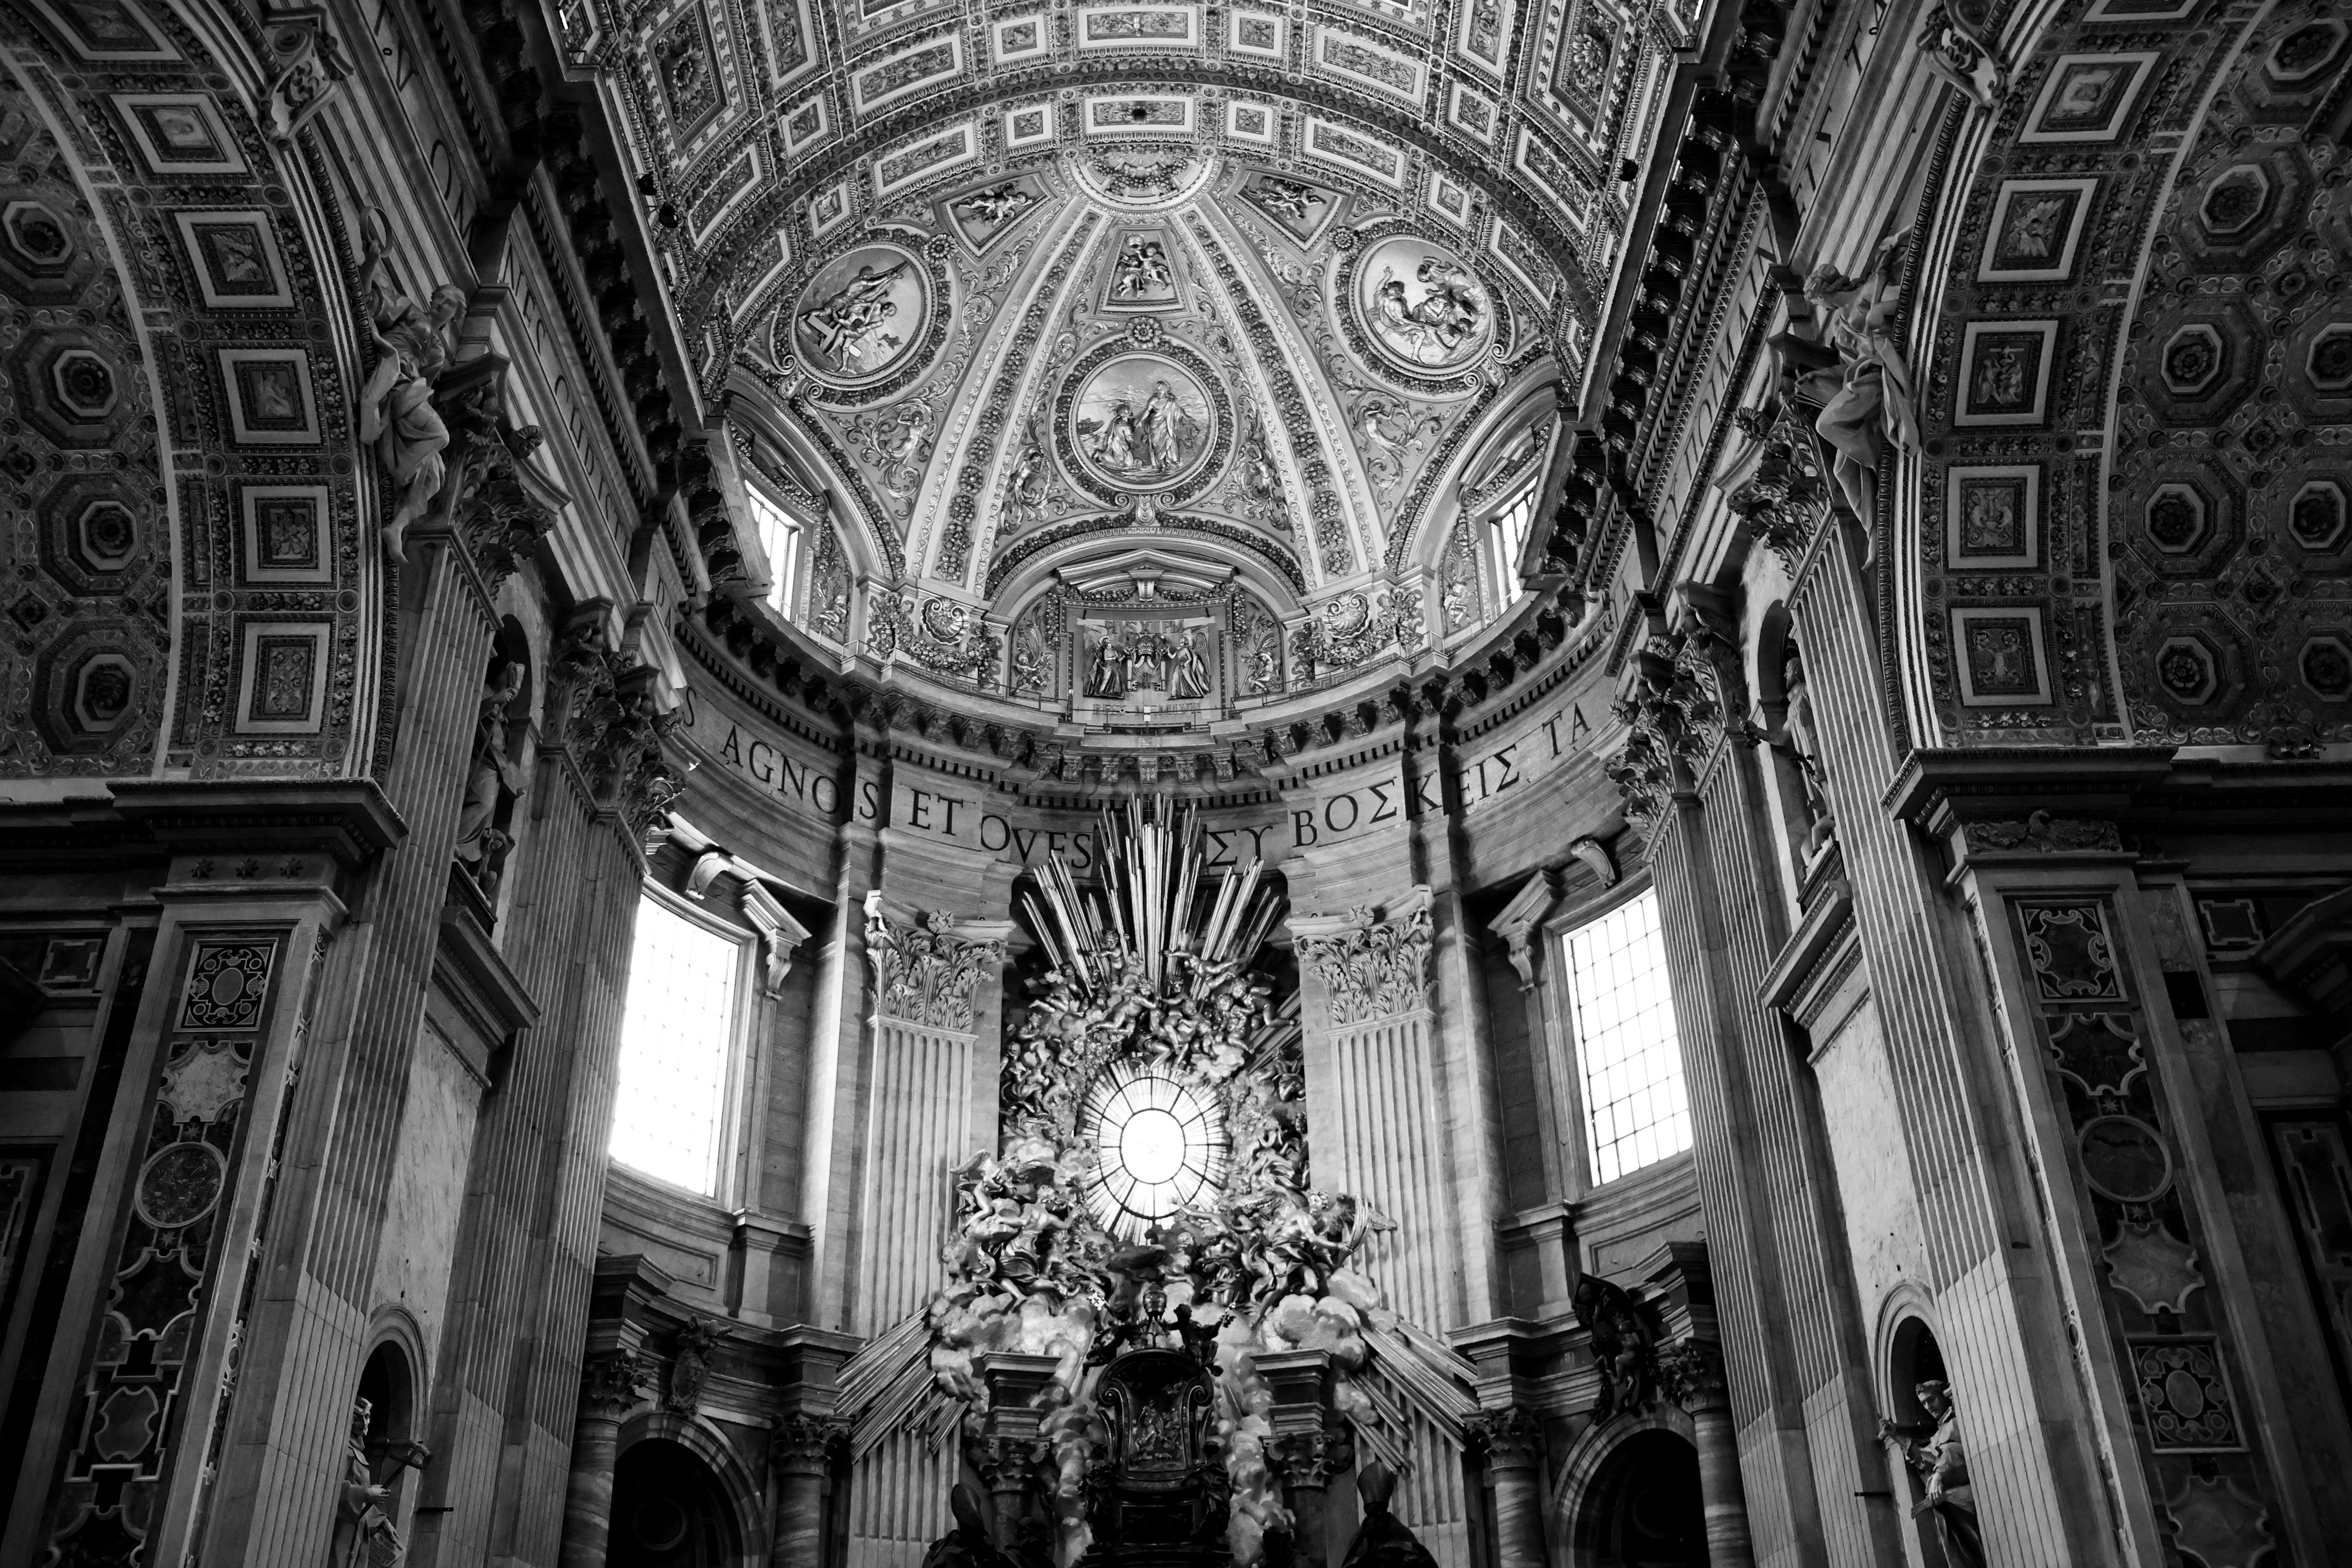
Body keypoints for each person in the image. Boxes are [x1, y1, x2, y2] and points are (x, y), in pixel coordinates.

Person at [354, 207, 466, 557]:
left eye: (451, 304)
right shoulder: (410, 310)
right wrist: (372, 261)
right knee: (442, 436)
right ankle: (394, 456)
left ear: (454, 315)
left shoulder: (438, 351)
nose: (443, 304)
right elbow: (365, 298)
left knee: (435, 472)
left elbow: (429, 386)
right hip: (396, 371)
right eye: (442, 297)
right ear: (433, 299)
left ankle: (398, 525)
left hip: (413, 390)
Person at [1804, 232, 1920, 534]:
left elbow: (1904, 294)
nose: (1821, 306)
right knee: (1842, 467)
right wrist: (1822, 379)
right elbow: (1848, 369)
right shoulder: (1840, 327)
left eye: (1817, 300)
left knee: (1826, 425)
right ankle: (1875, 530)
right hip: (1866, 377)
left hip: (1879, 371)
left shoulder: (1871, 287)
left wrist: (1878, 314)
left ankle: (1881, 462)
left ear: (1824, 294)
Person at [1880, 1379, 1987, 1568]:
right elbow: (1927, 1457)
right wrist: (1897, 1436)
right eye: (1924, 1403)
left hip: (1967, 1500)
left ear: (1944, 1395)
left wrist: (1939, 1474)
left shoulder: (1955, 1423)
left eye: (1932, 1399)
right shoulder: (1940, 1432)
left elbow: (1955, 1451)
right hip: (1948, 1506)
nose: (1929, 1406)